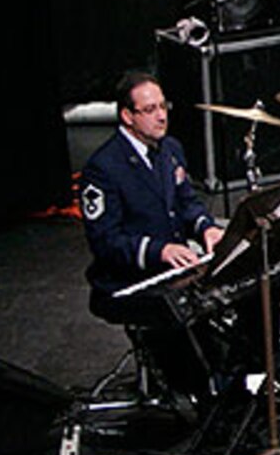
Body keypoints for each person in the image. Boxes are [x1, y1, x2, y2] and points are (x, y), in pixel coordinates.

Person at [79, 72, 229, 405]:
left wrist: (206, 227)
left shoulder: (170, 149)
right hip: (130, 277)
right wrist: (159, 251)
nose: (161, 116)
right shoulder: (103, 168)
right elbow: (105, 241)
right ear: (127, 116)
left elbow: (186, 204)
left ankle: (238, 380)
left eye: (163, 106)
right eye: (149, 109)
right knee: (176, 320)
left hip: (176, 269)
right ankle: (198, 393)